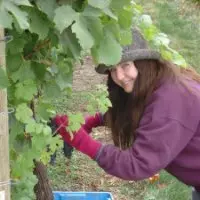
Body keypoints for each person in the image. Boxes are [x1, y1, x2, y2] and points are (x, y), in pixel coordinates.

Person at [50, 27, 200, 200]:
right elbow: (141, 111)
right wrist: (95, 120)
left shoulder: (171, 101)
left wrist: (82, 141)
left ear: (143, 62)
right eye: (113, 69)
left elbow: (138, 164)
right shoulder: (159, 80)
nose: (119, 76)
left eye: (125, 65)